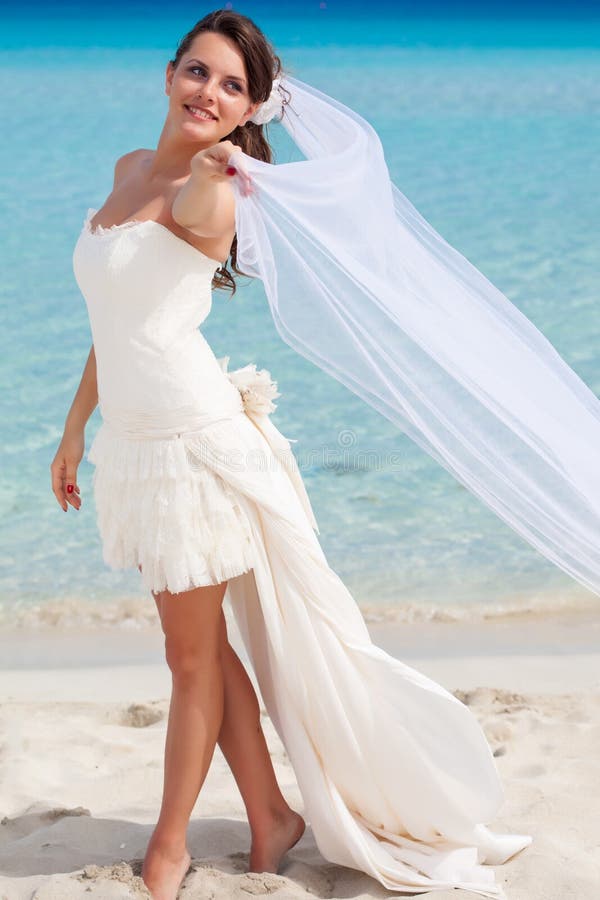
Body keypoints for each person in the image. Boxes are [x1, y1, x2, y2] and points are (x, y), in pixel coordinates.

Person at [51, 10, 532, 900]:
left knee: (191, 658)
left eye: (232, 87)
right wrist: (76, 426)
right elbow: (110, 323)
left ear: (248, 114)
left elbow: (200, 215)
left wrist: (205, 172)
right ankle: (271, 813)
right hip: (138, 442)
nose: (209, 93)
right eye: (199, 73)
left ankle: (168, 847)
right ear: (169, 76)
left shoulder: (216, 192)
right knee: (197, 648)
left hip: (197, 447)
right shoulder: (124, 172)